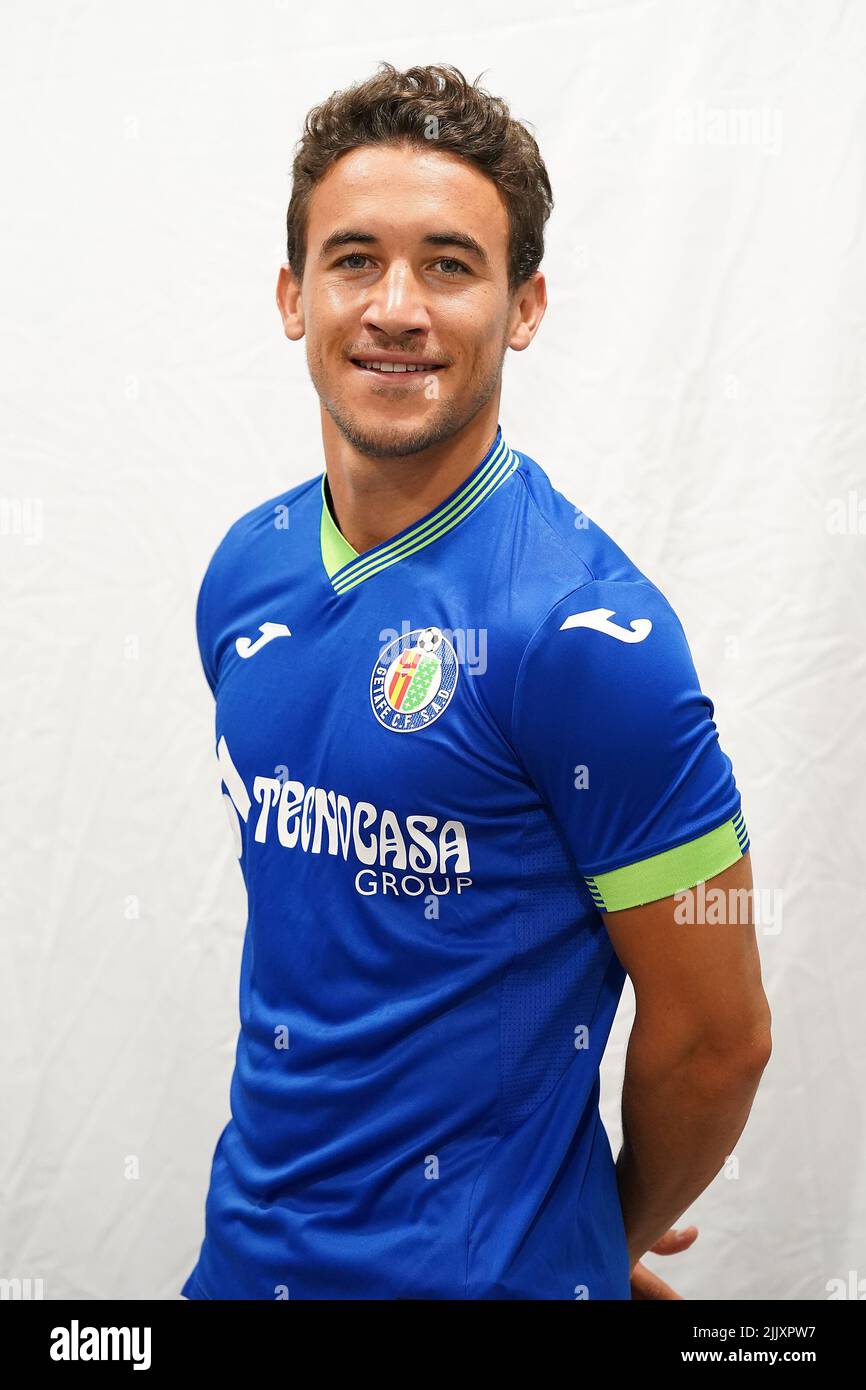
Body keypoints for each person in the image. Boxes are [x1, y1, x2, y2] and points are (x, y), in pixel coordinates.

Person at [181, 62, 771, 1301]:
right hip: (243, 1263)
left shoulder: (586, 636)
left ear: (523, 306)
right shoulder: (246, 571)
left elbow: (720, 1034)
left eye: (448, 264)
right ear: (294, 296)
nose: (395, 306)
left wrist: (585, 1242)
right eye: (354, 260)